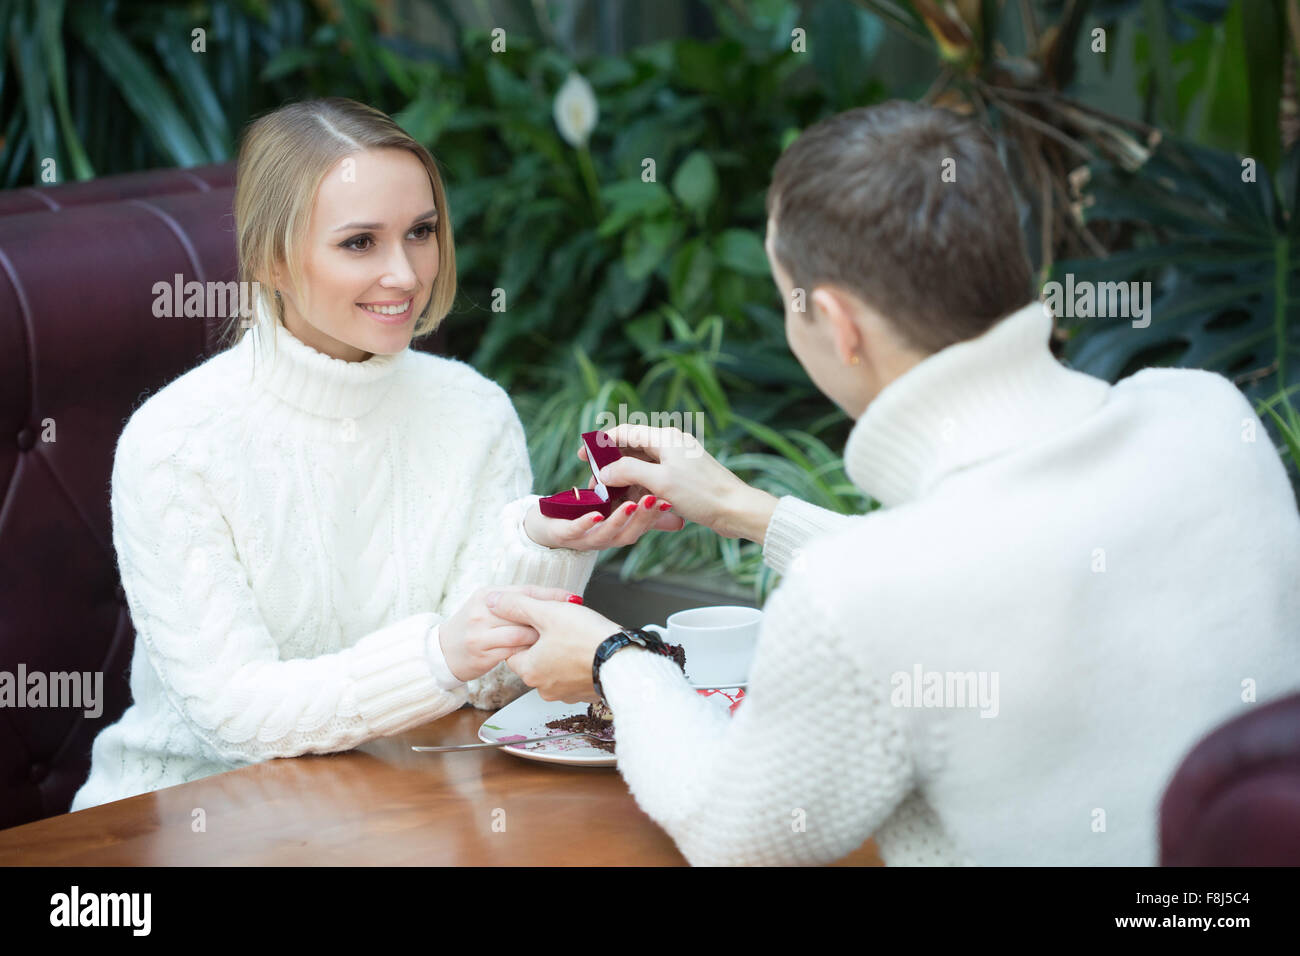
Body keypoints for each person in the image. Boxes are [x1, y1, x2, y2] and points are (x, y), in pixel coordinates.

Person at [488, 101, 1300, 865]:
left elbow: (732, 830)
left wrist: (613, 660)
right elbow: (994, 577)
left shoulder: (867, 593)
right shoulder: (1205, 418)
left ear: (837, 325)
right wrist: (746, 510)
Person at [71, 98, 684, 811]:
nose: (405, 274)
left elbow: (484, 685)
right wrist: (435, 656)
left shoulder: (473, 410)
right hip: (195, 814)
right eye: (360, 242)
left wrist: (541, 544)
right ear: (271, 256)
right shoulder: (176, 441)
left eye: (420, 232)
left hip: (408, 803)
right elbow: (234, 716)